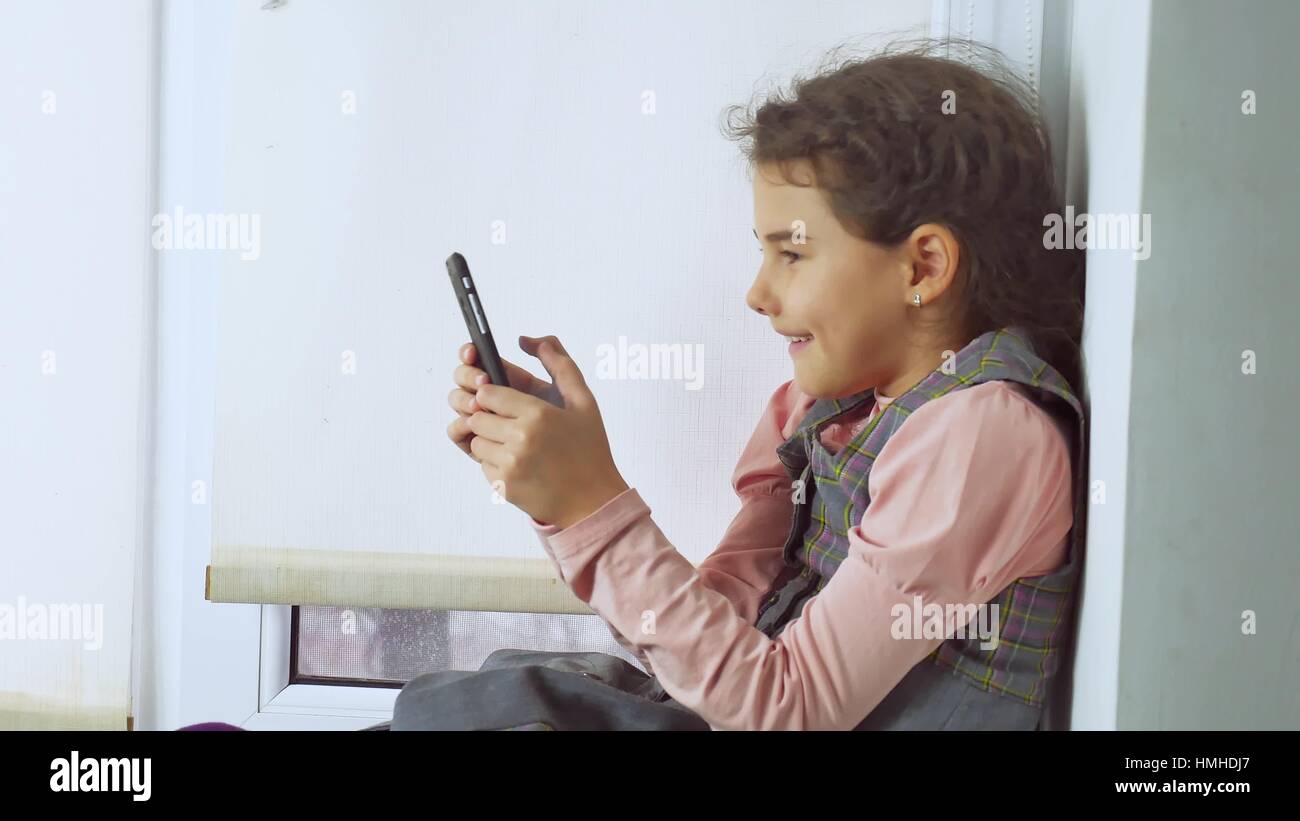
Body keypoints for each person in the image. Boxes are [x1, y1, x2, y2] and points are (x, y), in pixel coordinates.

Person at [412, 36, 1089, 731]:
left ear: (922, 267)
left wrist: (593, 507)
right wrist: (561, 487)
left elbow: (786, 708)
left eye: (791, 253)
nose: (757, 294)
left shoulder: (984, 435)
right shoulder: (820, 409)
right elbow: (712, 646)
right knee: (484, 698)